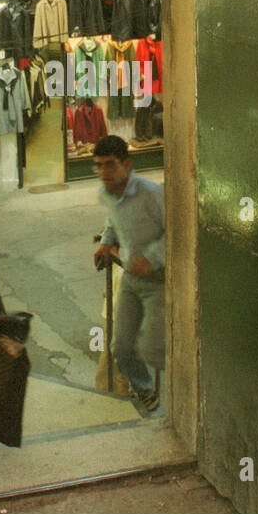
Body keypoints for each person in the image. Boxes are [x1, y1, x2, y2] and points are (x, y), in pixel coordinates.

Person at [91, 135, 166, 413]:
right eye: (98, 166)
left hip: (159, 281)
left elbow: (178, 230)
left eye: (110, 165)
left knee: (153, 349)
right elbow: (112, 222)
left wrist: (151, 258)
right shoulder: (107, 194)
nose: (104, 173)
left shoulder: (151, 194)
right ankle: (146, 391)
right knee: (120, 349)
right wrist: (106, 243)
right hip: (131, 281)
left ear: (127, 164)